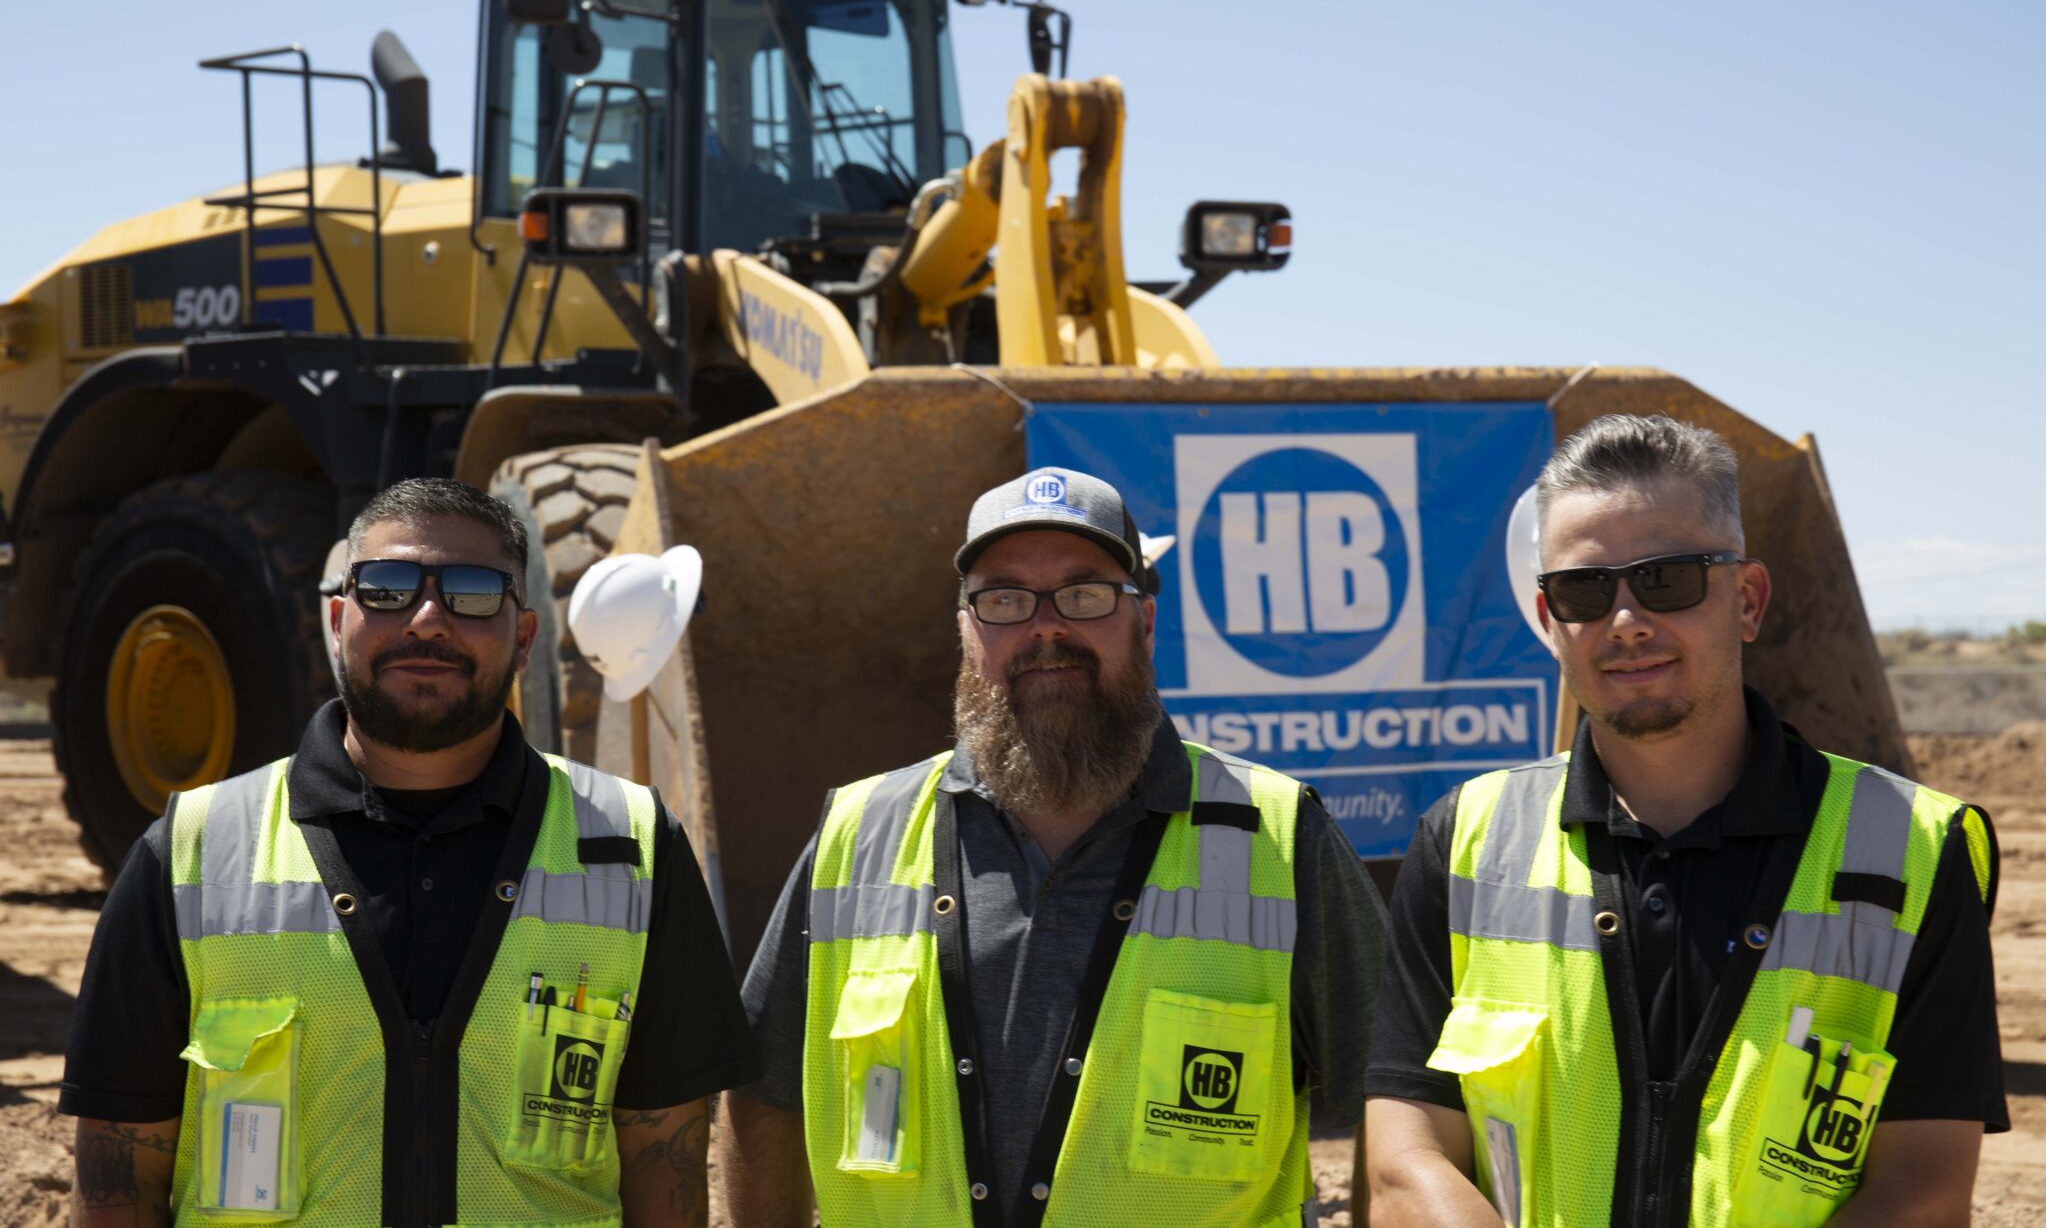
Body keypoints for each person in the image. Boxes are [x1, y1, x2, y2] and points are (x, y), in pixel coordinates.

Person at [61, 477, 758, 1227]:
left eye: (472, 592)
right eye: (388, 588)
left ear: (523, 637)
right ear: (337, 619)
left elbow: (668, 1164)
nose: (427, 618)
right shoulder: (191, 853)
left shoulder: (633, 849)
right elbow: (120, 1166)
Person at [1364, 415, 2005, 1226]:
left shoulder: (1916, 851)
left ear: (1746, 599)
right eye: (1586, 590)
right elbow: (1404, 1161)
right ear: (1549, 620)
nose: (1625, 619)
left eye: (1666, 579)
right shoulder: (1464, 840)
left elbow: (1924, 1192)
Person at [715, 466, 1387, 1226]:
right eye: (1004, 599)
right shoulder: (858, 832)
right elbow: (765, 1092)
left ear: (1147, 621)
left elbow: (1400, 1102)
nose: (1046, 627)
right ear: (965, 631)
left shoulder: (1280, 836)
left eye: (1085, 592)